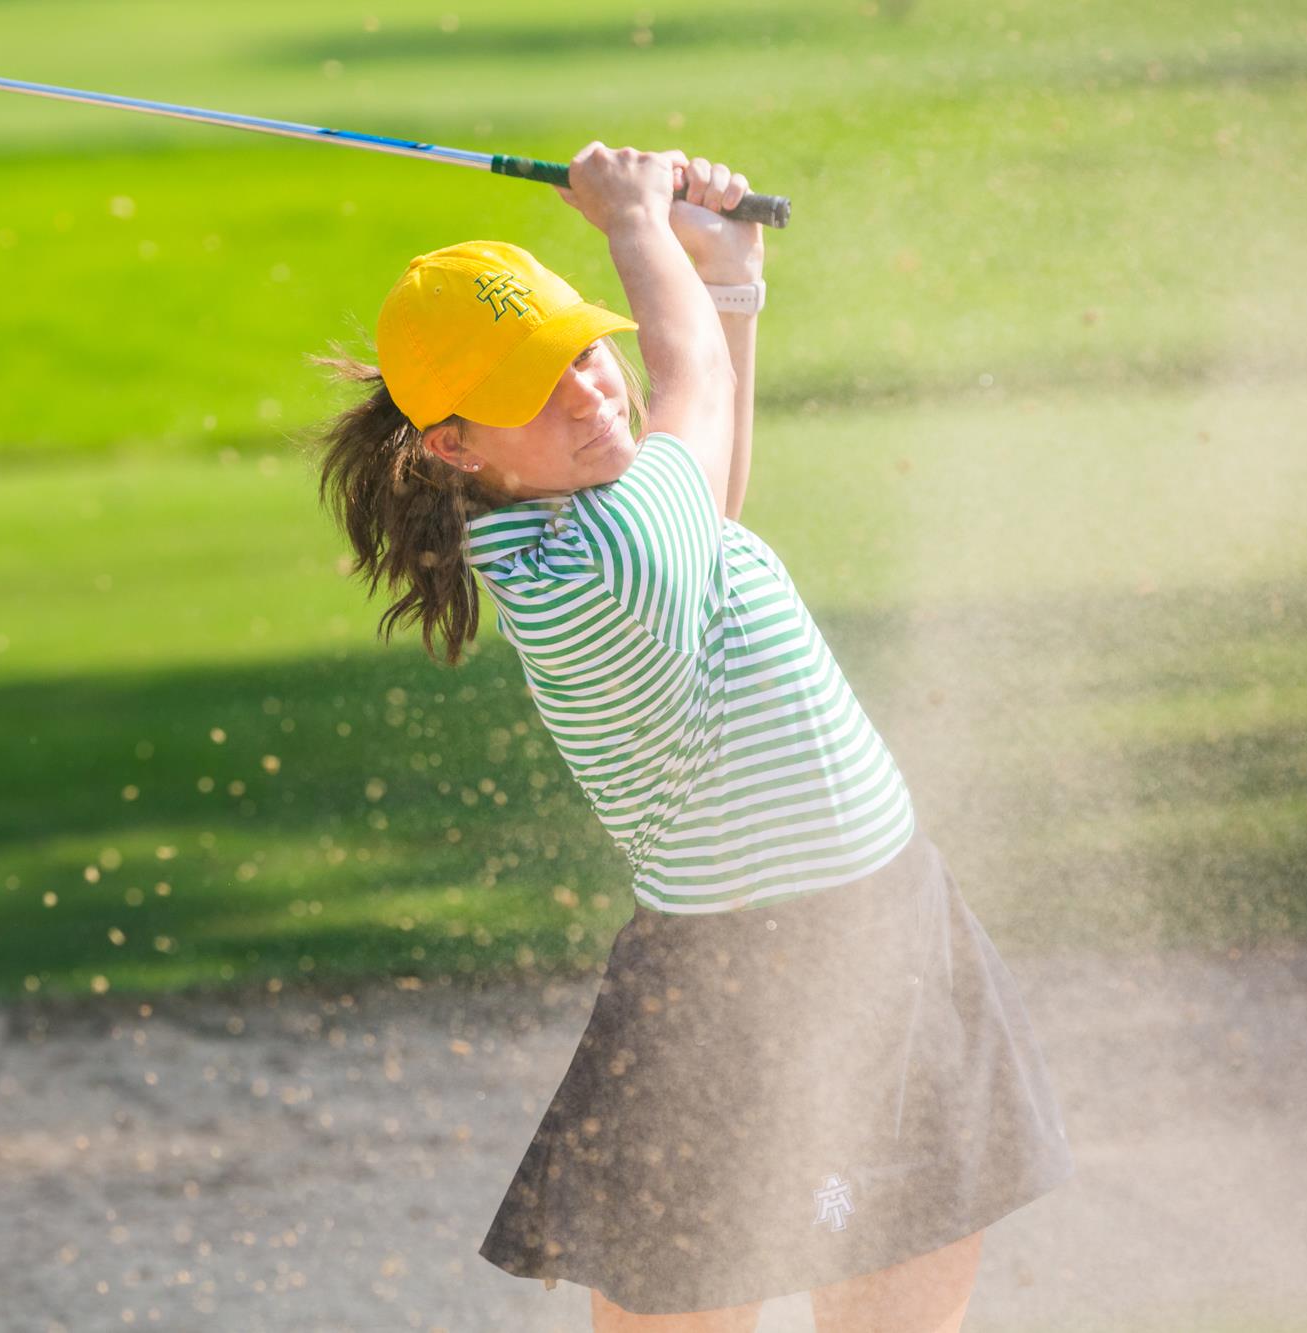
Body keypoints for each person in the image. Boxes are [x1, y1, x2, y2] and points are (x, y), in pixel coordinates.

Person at [308, 143, 1075, 1332]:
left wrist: (725, 273)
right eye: (531, 386)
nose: (586, 392)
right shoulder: (606, 555)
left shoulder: (585, 518)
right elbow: (693, 386)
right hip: (748, 977)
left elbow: (708, 496)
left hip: (876, 926)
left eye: (581, 350)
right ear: (451, 444)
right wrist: (634, 223)